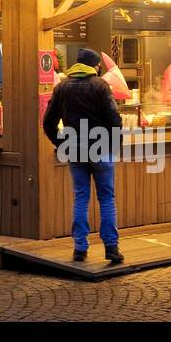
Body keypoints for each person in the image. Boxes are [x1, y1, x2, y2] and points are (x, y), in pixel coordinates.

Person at [42, 47, 124, 265]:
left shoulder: (62, 88)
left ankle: (79, 248)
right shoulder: (100, 85)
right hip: (101, 149)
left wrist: (61, 143)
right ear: (93, 65)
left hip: (75, 149)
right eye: (97, 65)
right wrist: (115, 146)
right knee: (106, 198)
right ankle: (111, 248)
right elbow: (115, 120)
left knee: (81, 197)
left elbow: (48, 122)